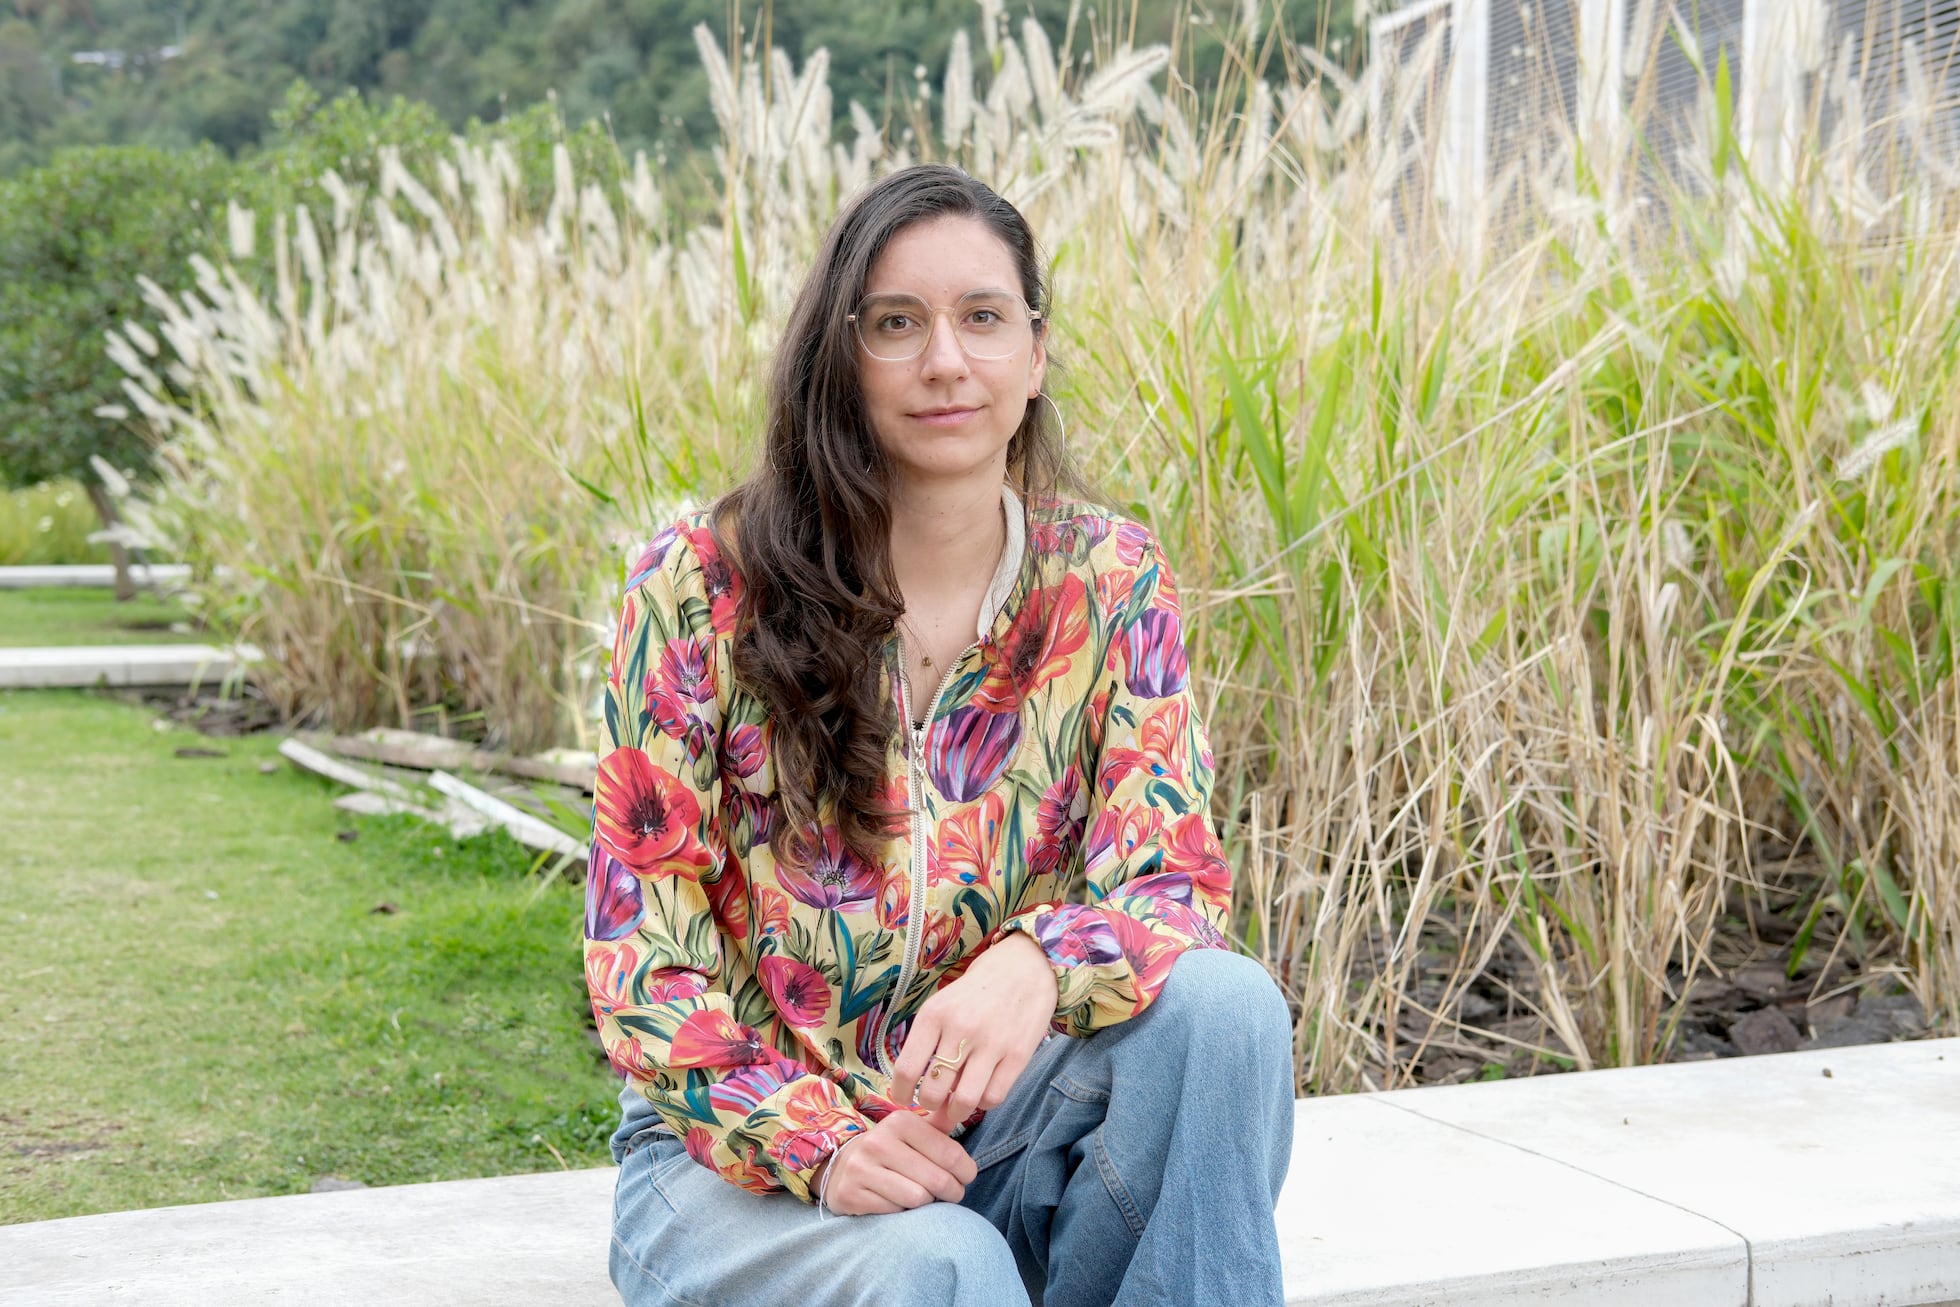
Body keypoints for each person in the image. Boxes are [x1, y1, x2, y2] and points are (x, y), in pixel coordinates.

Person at [586, 163, 1295, 1307]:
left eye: (982, 317)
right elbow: (641, 968)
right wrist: (819, 1140)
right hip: (733, 1165)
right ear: (839, 351)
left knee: (1227, 1010)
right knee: (944, 1262)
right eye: (896, 324)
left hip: (989, 1134)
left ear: (1035, 351)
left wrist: (1040, 957)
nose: (946, 362)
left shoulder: (1106, 581)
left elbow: (1177, 888)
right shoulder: (699, 585)